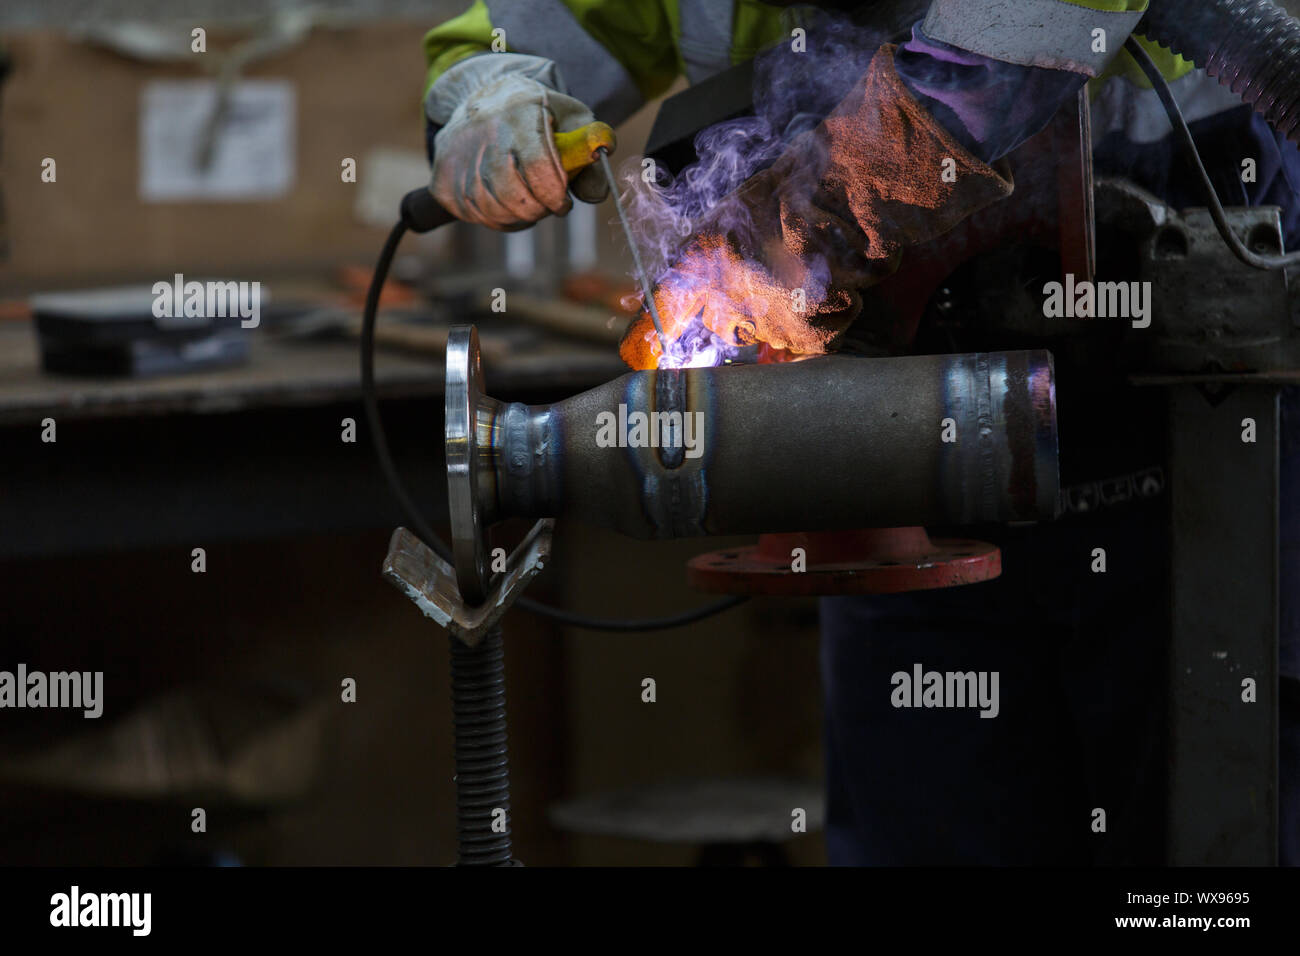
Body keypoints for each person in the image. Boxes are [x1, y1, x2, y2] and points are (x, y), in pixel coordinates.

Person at [420, 0, 1300, 864]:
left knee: (1199, 840)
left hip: (1183, 434)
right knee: (925, 816)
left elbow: (1015, 46)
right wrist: (491, 94)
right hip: (889, 469)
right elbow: (511, 35)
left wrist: (808, 226)